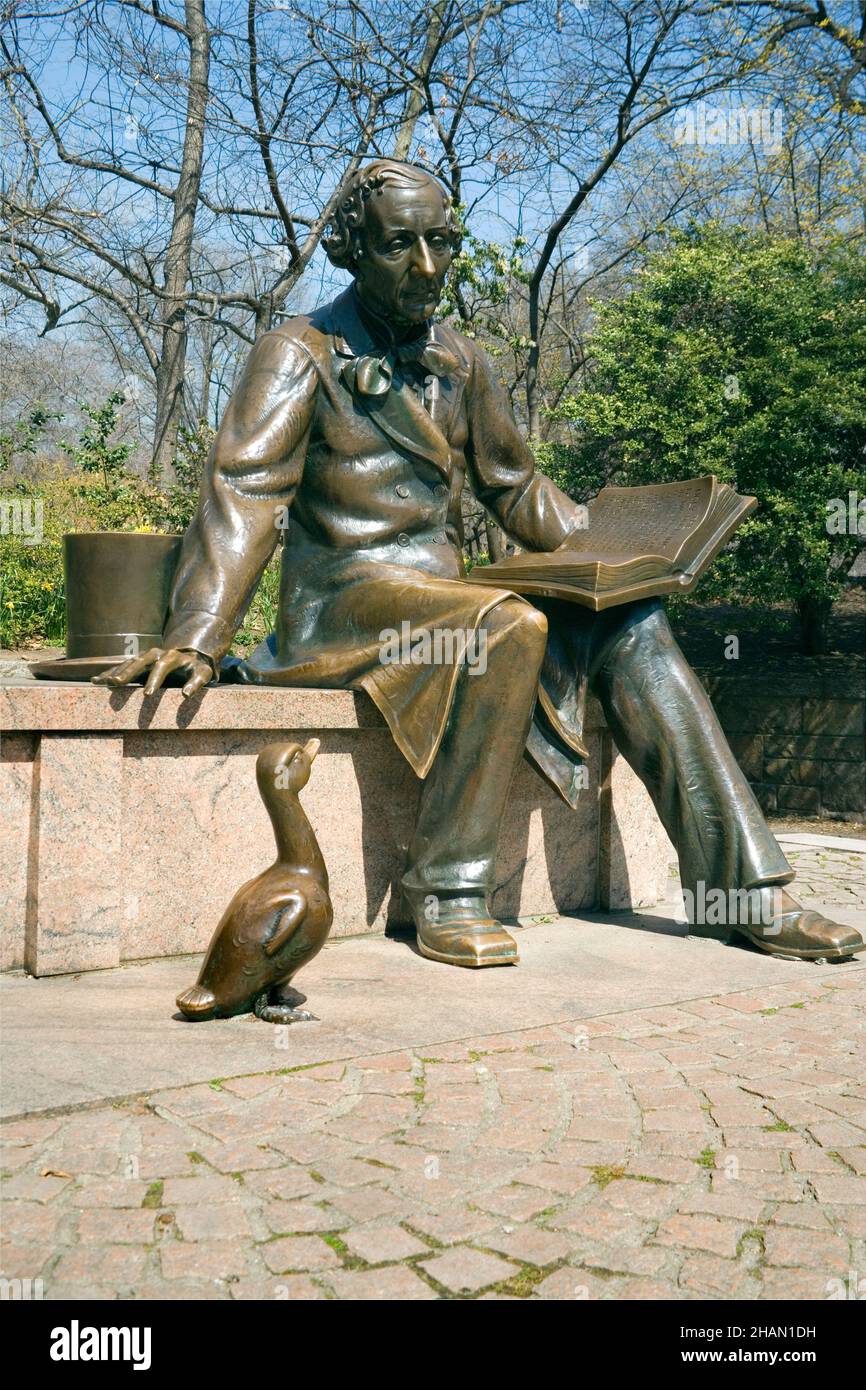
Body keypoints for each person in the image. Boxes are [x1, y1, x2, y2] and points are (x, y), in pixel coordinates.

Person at [97, 159, 863, 970]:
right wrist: (200, 632)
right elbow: (245, 493)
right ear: (353, 249)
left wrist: (618, 550)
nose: (428, 267)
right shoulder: (299, 352)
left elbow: (516, 486)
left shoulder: (460, 359)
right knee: (503, 626)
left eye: (441, 243)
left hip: (440, 595)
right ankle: (448, 893)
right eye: (400, 245)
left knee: (633, 621)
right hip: (343, 602)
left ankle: (743, 892)